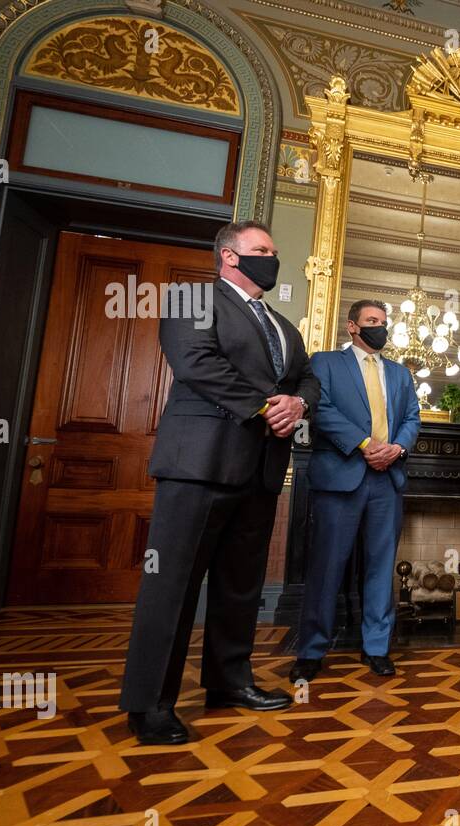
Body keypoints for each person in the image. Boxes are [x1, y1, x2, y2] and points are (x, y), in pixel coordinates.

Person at [120, 221, 319, 745]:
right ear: (229, 257)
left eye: (275, 251)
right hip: (200, 464)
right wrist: (267, 406)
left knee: (240, 585)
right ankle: (149, 704)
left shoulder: (282, 325)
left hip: (260, 471)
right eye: (262, 250)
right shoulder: (193, 298)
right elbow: (196, 363)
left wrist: (298, 403)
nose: (272, 258)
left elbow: (308, 376)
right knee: (174, 586)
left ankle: (229, 681)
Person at [289, 300, 420, 682]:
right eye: (372, 321)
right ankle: (312, 650)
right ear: (352, 326)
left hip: (387, 478)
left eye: (383, 322)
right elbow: (322, 409)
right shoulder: (325, 362)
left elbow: (412, 417)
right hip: (341, 476)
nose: (380, 327)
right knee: (327, 566)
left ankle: (377, 648)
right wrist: (365, 445)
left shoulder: (399, 373)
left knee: (381, 567)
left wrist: (397, 448)